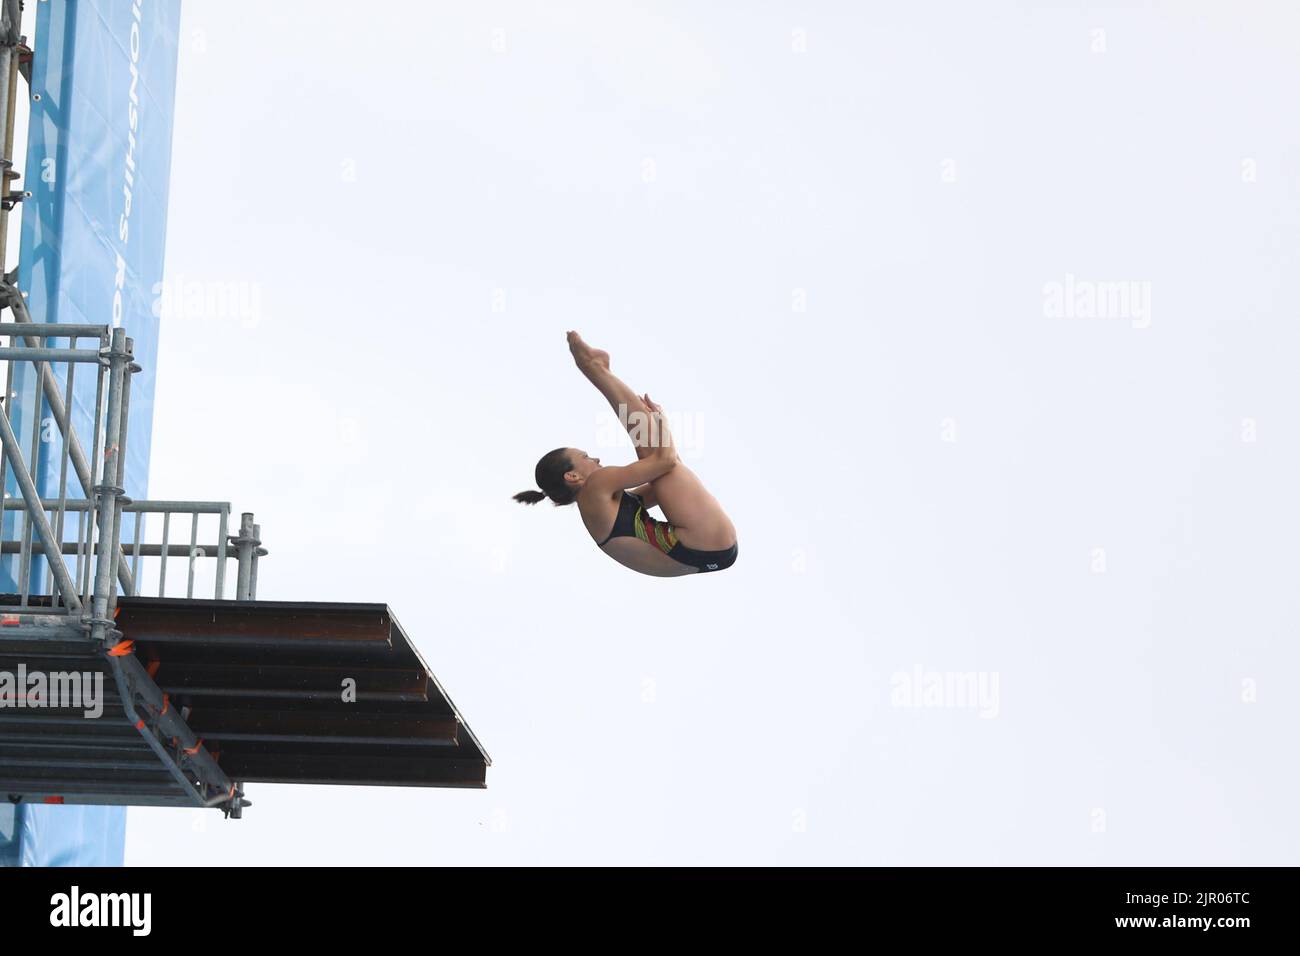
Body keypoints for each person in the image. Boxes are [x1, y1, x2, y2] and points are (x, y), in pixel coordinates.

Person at [513, 331, 738, 577]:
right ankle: (594, 368)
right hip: (702, 541)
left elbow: (661, 475)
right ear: (573, 476)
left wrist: (653, 439)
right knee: (653, 450)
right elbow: (666, 460)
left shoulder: (601, 509)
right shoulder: (596, 486)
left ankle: (597, 368)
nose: (596, 459)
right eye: (586, 457)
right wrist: (661, 422)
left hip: (709, 553)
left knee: (653, 455)